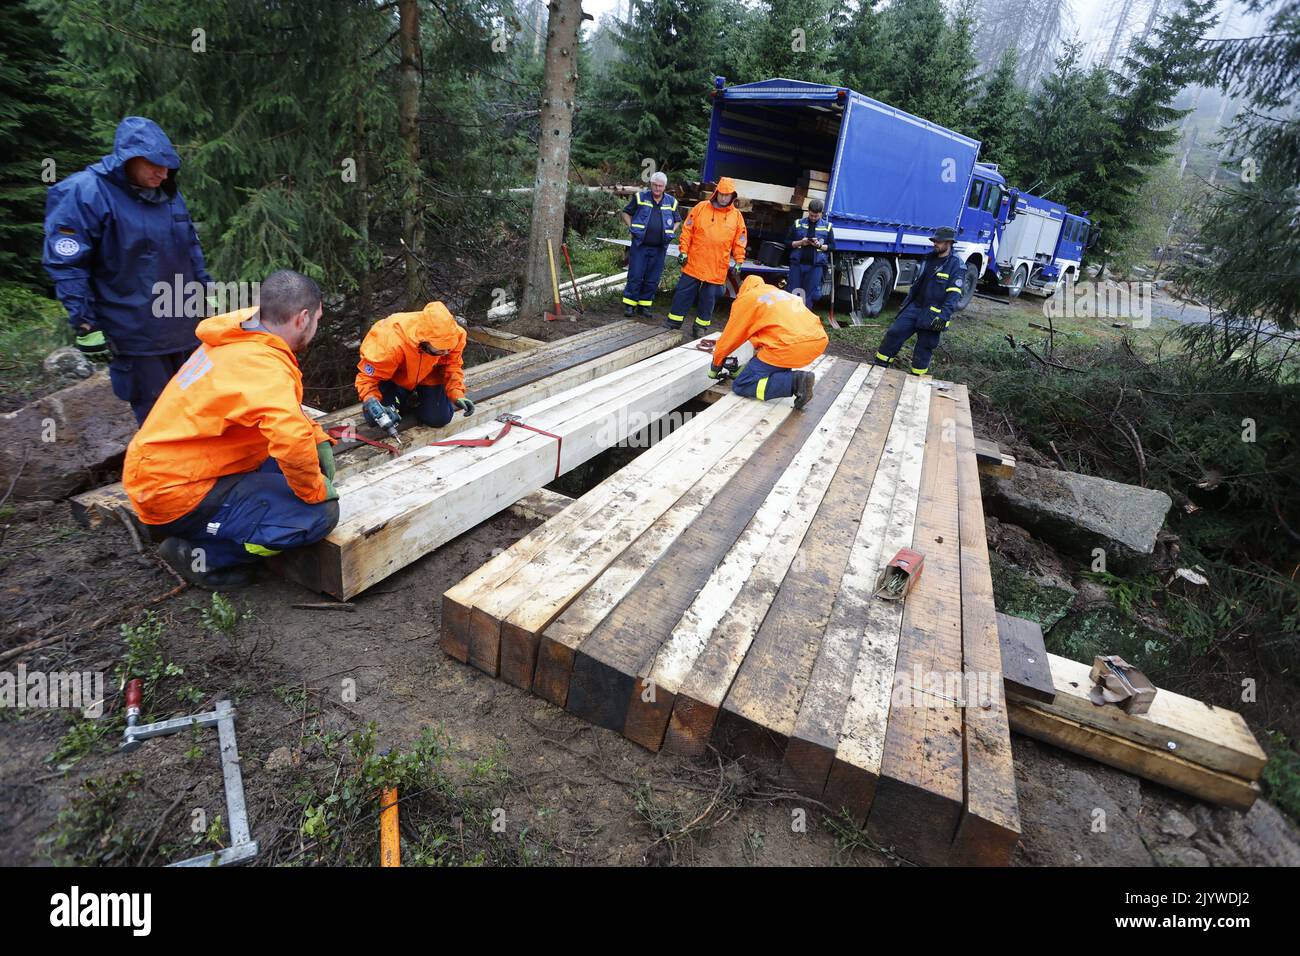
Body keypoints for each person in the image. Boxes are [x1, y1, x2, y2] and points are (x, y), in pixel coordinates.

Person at [122, 270, 339, 589]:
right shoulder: (262, 364)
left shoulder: (244, 336)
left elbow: (277, 413)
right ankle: (204, 555)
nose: (316, 328)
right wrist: (315, 491)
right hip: (175, 491)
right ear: (302, 318)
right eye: (317, 320)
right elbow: (290, 439)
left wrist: (316, 439)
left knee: (297, 469)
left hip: (171, 469)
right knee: (320, 515)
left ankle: (204, 524)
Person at [43, 116, 214, 424]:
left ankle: (207, 471)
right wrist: (85, 323)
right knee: (159, 418)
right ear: (129, 158)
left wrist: (206, 298)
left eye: (168, 166)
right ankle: (164, 472)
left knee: (200, 409)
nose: (163, 173)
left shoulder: (169, 196)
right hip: (135, 333)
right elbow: (68, 264)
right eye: (154, 165)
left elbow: (191, 251)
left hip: (186, 327)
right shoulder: (84, 193)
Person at [707, 276, 826, 410]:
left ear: (743, 288)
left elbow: (731, 336)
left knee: (742, 384)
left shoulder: (747, 299)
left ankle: (795, 382)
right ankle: (789, 378)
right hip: (817, 339)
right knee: (764, 366)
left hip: (787, 346)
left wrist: (716, 364)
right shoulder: (779, 293)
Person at [355, 301, 474, 431]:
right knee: (377, 420)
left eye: (448, 348)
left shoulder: (454, 335)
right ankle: (404, 398)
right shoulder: (391, 340)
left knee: (439, 419)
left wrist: (457, 394)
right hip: (394, 379)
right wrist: (371, 400)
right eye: (440, 349)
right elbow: (367, 379)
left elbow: (452, 366)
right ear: (425, 340)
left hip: (428, 374)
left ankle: (413, 400)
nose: (446, 353)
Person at [873, 226, 965, 376]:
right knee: (894, 333)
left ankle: (917, 377)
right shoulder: (929, 258)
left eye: (939, 241)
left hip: (933, 314)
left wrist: (943, 316)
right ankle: (879, 365)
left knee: (924, 347)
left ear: (949, 243)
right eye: (934, 240)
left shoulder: (956, 265)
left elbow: (953, 296)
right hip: (915, 307)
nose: (935, 243)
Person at [665, 177, 747, 339]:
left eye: (727, 195)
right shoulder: (701, 208)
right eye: (721, 194)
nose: (723, 198)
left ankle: (700, 328)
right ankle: (673, 323)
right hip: (694, 261)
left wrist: (739, 260)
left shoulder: (737, 217)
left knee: (708, 299)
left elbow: (740, 241)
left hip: (717, 266)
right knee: (683, 293)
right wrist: (683, 251)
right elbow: (687, 231)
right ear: (716, 193)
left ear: (732, 196)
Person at [619, 172, 680, 318]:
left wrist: (671, 232)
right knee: (635, 275)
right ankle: (630, 305)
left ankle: (645, 306)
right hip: (640, 245)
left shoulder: (671, 202)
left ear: (665, 187)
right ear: (651, 184)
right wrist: (631, 227)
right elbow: (626, 212)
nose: (657, 188)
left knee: (653, 278)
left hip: (660, 247)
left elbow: (677, 219)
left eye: (660, 186)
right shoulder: (640, 197)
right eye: (655, 185)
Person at [785, 199, 835, 307]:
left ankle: (805, 320)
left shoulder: (827, 227)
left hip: (815, 267)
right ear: (808, 211)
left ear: (821, 213)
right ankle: (791, 320)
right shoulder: (798, 223)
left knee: (810, 296)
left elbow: (832, 246)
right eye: (811, 215)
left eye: (816, 216)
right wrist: (801, 242)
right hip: (797, 265)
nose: (813, 218)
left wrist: (820, 246)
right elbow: (787, 242)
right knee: (793, 294)